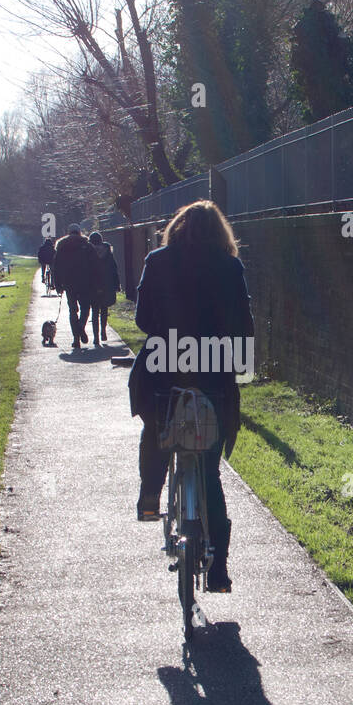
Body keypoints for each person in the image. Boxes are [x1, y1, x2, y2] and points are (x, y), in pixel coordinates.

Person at [128, 200, 254, 593]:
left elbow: (143, 320)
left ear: (177, 228)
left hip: (166, 369)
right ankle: (218, 571)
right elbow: (242, 324)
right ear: (221, 232)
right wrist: (239, 367)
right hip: (213, 374)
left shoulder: (157, 260)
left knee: (157, 428)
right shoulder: (230, 266)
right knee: (211, 474)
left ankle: (151, 495)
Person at [52, 224, 98, 350]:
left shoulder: (61, 247)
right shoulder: (87, 246)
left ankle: (76, 339)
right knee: (85, 308)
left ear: (69, 232)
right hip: (85, 283)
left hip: (68, 283)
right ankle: (81, 327)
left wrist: (58, 285)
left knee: (73, 310)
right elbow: (95, 266)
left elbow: (56, 268)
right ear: (79, 232)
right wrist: (96, 283)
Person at [88, 231, 121, 345]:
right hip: (107, 285)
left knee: (94, 311)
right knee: (104, 309)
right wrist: (117, 285)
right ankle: (103, 331)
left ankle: (96, 337)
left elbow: (86, 271)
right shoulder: (108, 253)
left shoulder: (89, 253)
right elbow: (114, 270)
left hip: (93, 286)